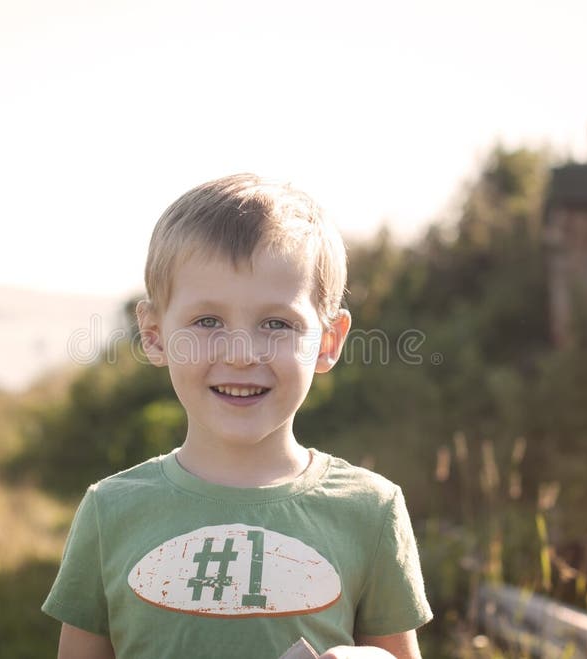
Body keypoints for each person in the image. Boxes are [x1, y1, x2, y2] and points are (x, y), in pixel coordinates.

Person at [43, 174, 432, 659]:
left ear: (328, 341)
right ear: (154, 334)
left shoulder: (370, 511)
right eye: (207, 321)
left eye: (277, 323)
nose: (242, 354)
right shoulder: (110, 511)